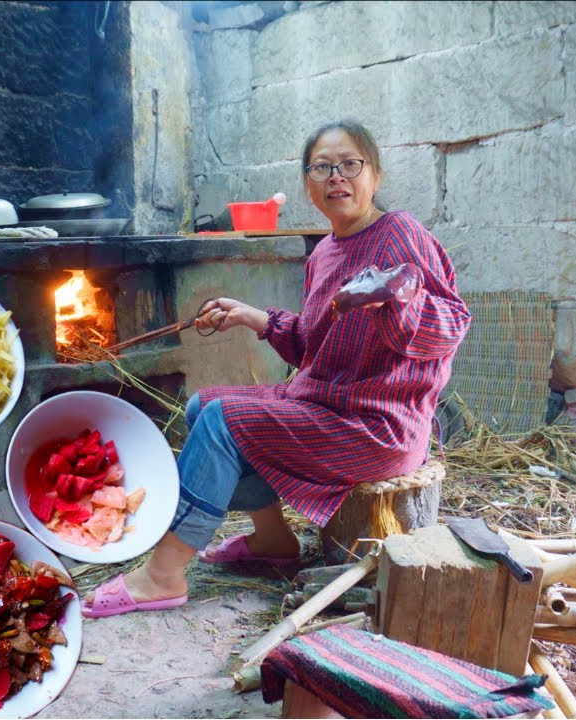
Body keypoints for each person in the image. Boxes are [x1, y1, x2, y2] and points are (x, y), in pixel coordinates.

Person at [81, 120, 472, 618]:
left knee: (225, 423)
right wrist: (252, 316)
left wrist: (397, 305)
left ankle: (164, 574)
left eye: (350, 164)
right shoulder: (326, 252)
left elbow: (453, 325)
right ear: (308, 185)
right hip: (324, 401)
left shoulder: (401, 236)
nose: (337, 177)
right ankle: (274, 542)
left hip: (375, 424)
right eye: (322, 168)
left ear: (375, 174)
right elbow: (313, 344)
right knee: (204, 405)